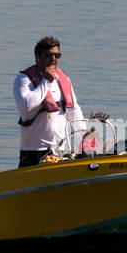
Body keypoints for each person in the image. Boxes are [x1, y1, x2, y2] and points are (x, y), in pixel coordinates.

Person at [14, 36, 84, 167]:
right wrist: (46, 81)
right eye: (48, 55)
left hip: (60, 152)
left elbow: (73, 111)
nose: (53, 59)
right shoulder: (24, 80)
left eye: (57, 55)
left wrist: (83, 138)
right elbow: (26, 106)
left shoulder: (64, 79)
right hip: (34, 153)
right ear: (37, 56)